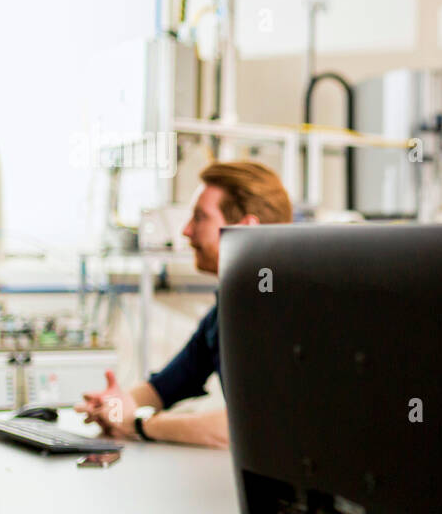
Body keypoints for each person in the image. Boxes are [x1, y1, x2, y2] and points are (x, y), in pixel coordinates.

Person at [76, 161, 293, 448]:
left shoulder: (281, 313)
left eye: (200, 217)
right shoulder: (225, 314)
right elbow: (165, 387)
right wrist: (116, 405)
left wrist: (139, 424)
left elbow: (250, 426)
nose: (186, 231)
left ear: (246, 230)